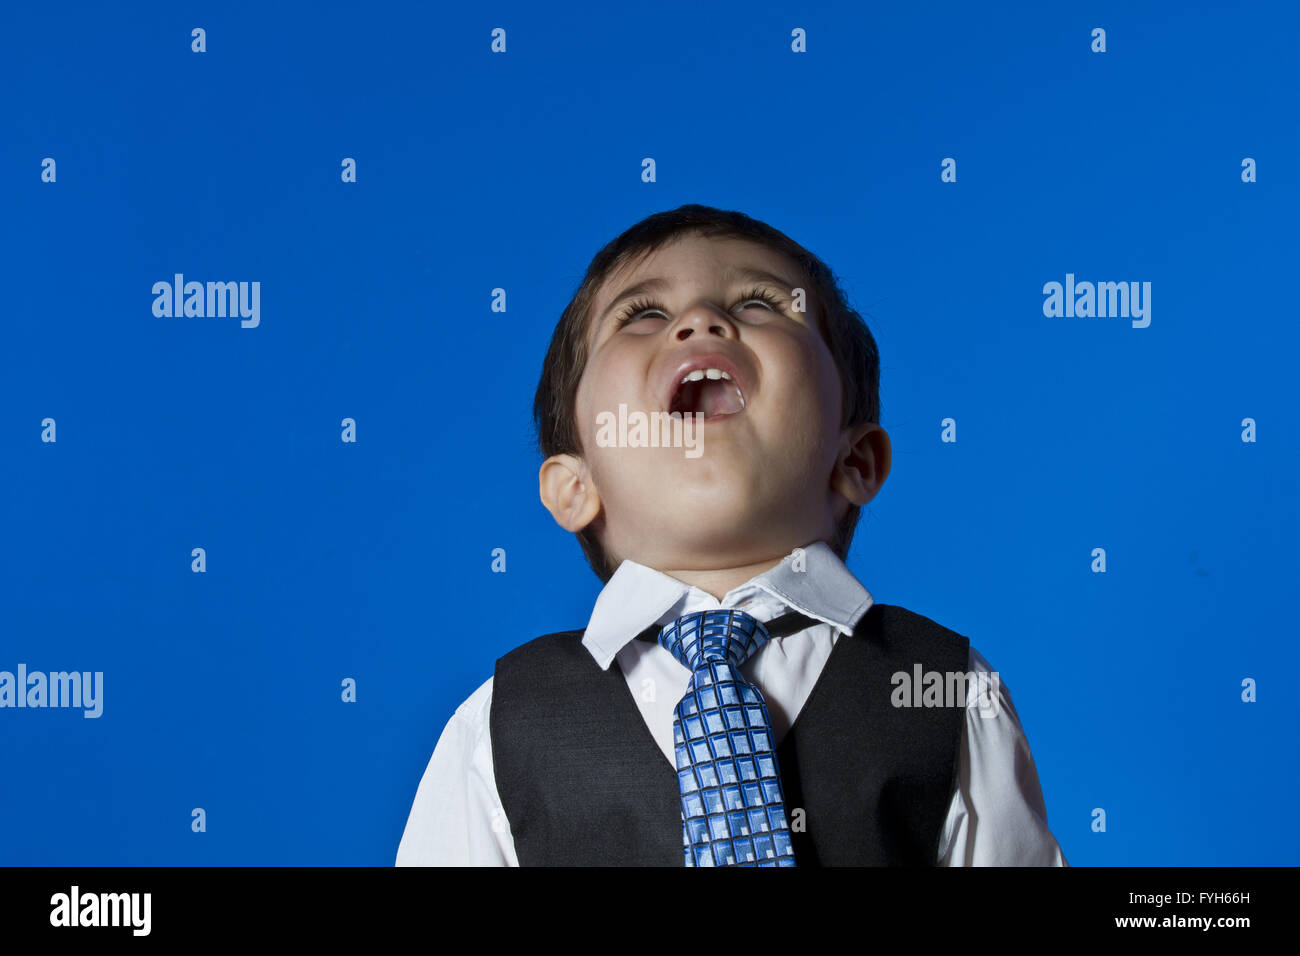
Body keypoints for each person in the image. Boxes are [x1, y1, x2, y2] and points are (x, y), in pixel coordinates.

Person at [396, 204, 1067, 866]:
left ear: (853, 461)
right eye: (643, 314)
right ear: (576, 486)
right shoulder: (502, 724)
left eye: (759, 304)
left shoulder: (944, 689)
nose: (700, 321)